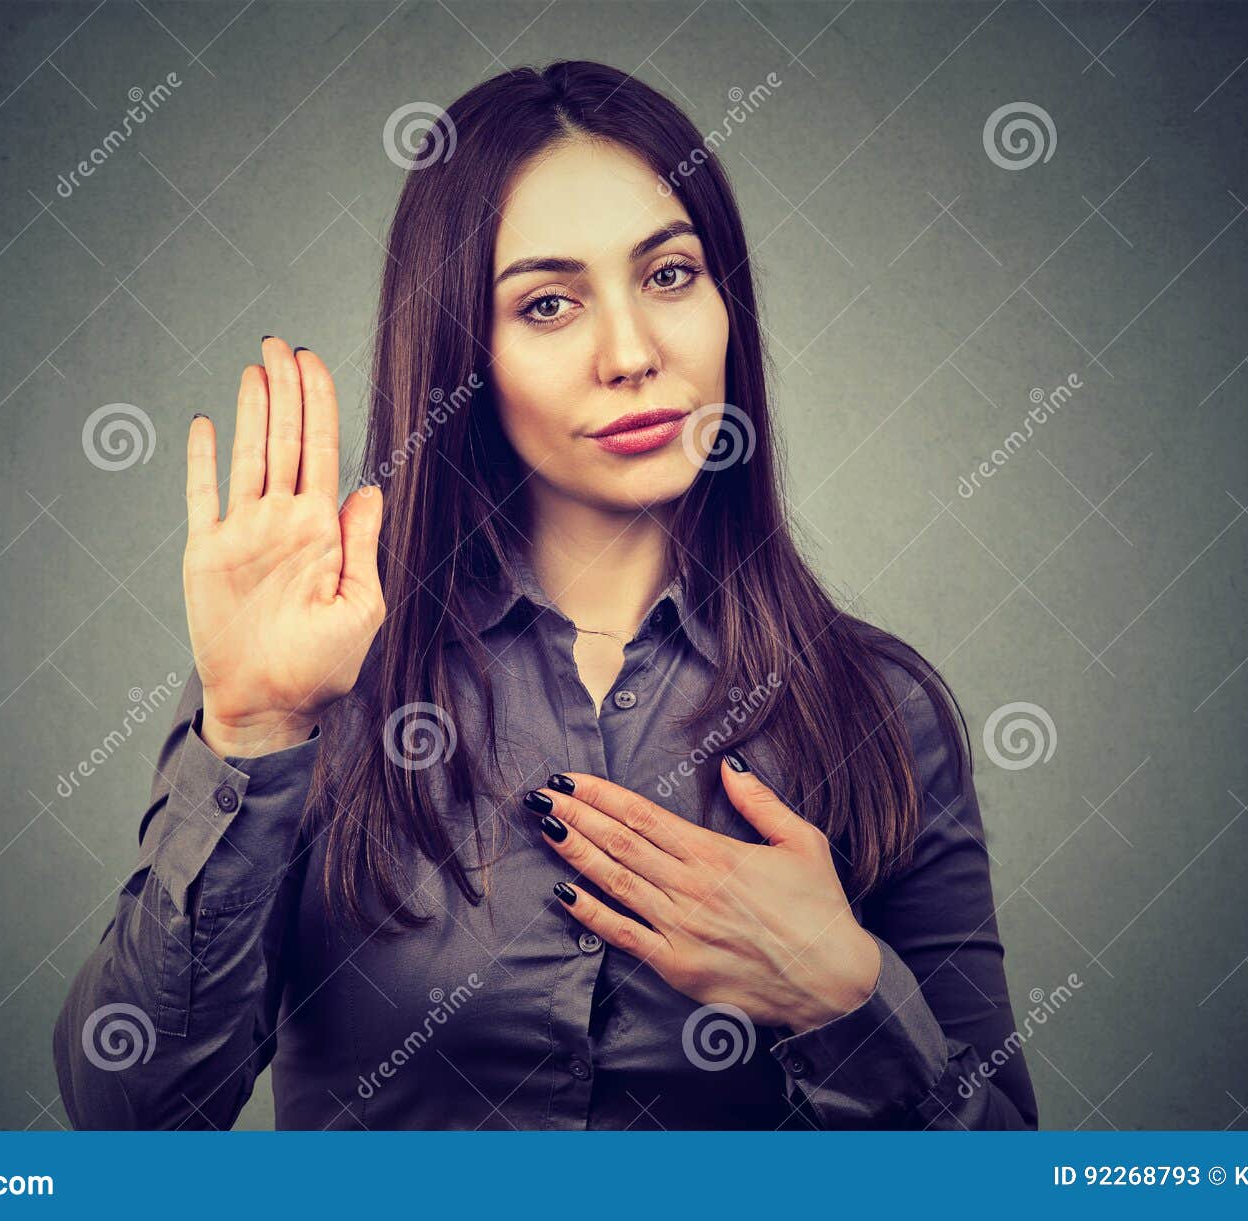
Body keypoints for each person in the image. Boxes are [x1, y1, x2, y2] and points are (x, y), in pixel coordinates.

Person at [52, 59, 1038, 1131]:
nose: (631, 354)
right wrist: (248, 731)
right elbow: (130, 1120)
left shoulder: (880, 710)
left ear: (726, 305)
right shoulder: (326, 675)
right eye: (550, 303)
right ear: (460, 353)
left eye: (669, 276)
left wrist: (844, 997)